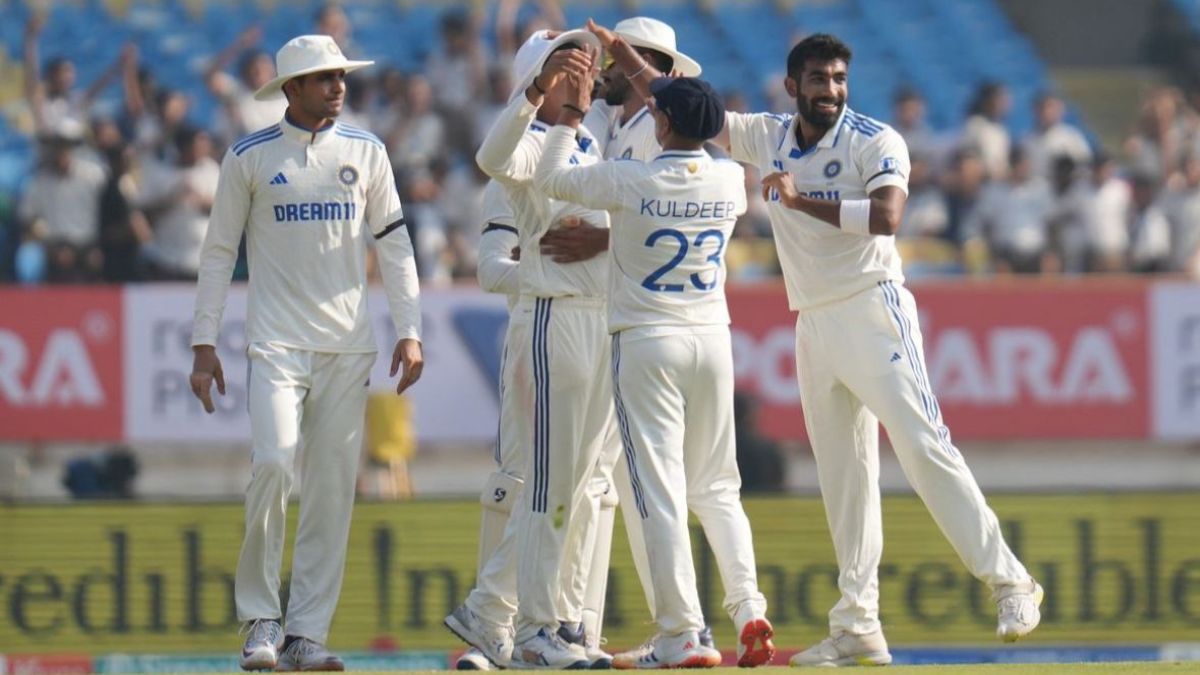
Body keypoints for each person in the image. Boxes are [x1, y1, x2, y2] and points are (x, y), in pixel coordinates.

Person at [594, 31, 1045, 665]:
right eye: (817, 80)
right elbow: (679, 104)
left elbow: (888, 218)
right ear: (792, 86)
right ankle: (858, 622)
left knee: (921, 444)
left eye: (837, 79)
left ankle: (1012, 582)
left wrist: (800, 199)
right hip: (811, 322)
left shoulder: (874, 139)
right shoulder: (769, 135)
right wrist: (624, 53)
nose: (829, 90)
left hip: (872, 308)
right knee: (843, 477)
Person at [188, 35, 423, 672]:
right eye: (323, 78)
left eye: (341, 75)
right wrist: (203, 342)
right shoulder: (249, 157)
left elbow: (395, 247)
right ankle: (261, 618)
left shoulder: (368, 151)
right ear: (290, 90)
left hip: (348, 347)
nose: (338, 86)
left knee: (329, 493)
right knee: (273, 464)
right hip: (275, 344)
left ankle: (306, 633)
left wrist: (411, 327)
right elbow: (217, 253)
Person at [535, 69, 776, 668]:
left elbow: (551, 179)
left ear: (661, 124)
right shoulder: (730, 180)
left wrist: (570, 118)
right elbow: (699, 128)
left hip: (647, 341)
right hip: (713, 342)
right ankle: (749, 609)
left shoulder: (631, 180)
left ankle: (683, 634)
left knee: (660, 494)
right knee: (719, 487)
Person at [457, 28, 613, 670]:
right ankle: (513, 623)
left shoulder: (589, 142)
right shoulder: (521, 149)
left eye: (584, 64)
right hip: (543, 324)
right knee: (527, 480)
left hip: (595, 321)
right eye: (564, 65)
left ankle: (536, 617)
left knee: (575, 486)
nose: (582, 73)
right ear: (537, 77)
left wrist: (597, 255)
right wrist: (553, 275)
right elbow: (494, 262)